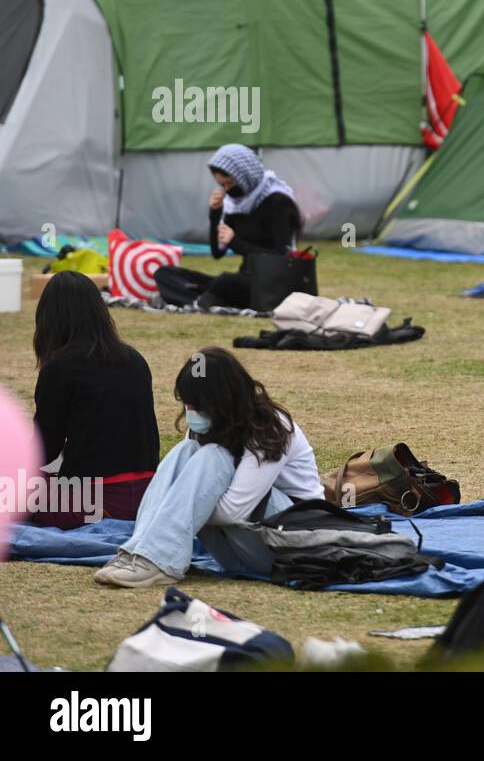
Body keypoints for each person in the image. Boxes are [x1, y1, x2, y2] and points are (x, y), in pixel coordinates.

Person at [93, 347, 324, 588]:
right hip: (238, 552)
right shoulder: (210, 426)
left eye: (197, 405)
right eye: (187, 404)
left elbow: (233, 511)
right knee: (187, 451)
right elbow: (184, 488)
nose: (190, 412)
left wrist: (177, 509)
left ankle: (157, 559)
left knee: (213, 455)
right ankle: (139, 552)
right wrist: (178, 508)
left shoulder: (271, 426)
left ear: (221, 401)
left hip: (292, 545)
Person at [29, 271, 159, 527]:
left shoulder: (59, 368)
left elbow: (43, 450)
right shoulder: (135, 359)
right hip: (147, 494)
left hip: (95, 500)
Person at [154, 144, 303, 309]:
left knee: (225, 281)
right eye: (222, 185)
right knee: (165, 273)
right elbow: (217, 253)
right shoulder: (236, 204)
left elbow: (281, 257)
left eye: (229, 183)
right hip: (243, 279)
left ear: (244, 176)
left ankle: (200, 299)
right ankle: (206, 299)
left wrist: (235, 241)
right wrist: (215, 214)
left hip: (269, 283)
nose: (227, 190)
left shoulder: (277, 202)